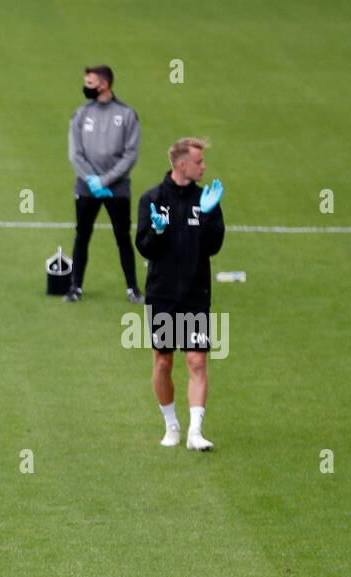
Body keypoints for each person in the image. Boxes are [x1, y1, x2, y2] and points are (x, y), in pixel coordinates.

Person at [136, 137, 225, 451]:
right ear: (181, 164)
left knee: (197, 361)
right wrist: (157, 231)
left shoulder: (206, 200)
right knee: (163, 362)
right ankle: (171, 424)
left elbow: (214, 245)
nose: (203, 167)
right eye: (199, 162)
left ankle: (195, 431)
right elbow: (144, 246)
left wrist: (210, 216)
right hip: (162, 294)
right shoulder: (152, 199)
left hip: (195, 293)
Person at [65, 65, 143, 304]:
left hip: (117, 189)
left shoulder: (127, 114)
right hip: (86, 187)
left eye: (90, 82)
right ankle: (75, 287)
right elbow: (75, 153)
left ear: (104, 84)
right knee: (82, 236)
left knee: (122, 237)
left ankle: (132, 289)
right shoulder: (81, 114)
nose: (86, 87)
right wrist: (91, 179)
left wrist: (105, 180)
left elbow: (131, 154)